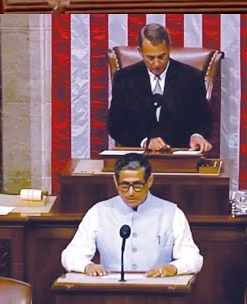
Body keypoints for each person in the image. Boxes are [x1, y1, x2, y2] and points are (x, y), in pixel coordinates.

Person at [61, 153, 203, 277]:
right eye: (124, 185)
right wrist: (87, 266)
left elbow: (193, 258)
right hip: (111, 292)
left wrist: (173, 268)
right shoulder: (98, 212)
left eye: (137, 185)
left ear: (149, 181)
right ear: (115, 182)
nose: (130, 192)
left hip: (158, 291)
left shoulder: (172, 213)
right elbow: (71, 254)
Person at [108, 23, 213, 151]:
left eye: (161, 56)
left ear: (169, 48)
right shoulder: (124, 78)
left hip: (180, 157)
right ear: (140, 52)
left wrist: (197, 136)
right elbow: (115, 125)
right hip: (137, 158)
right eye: (150, 58)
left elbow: (203, 120)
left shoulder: (192, 77)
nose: (156, 64)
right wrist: (145, 142)